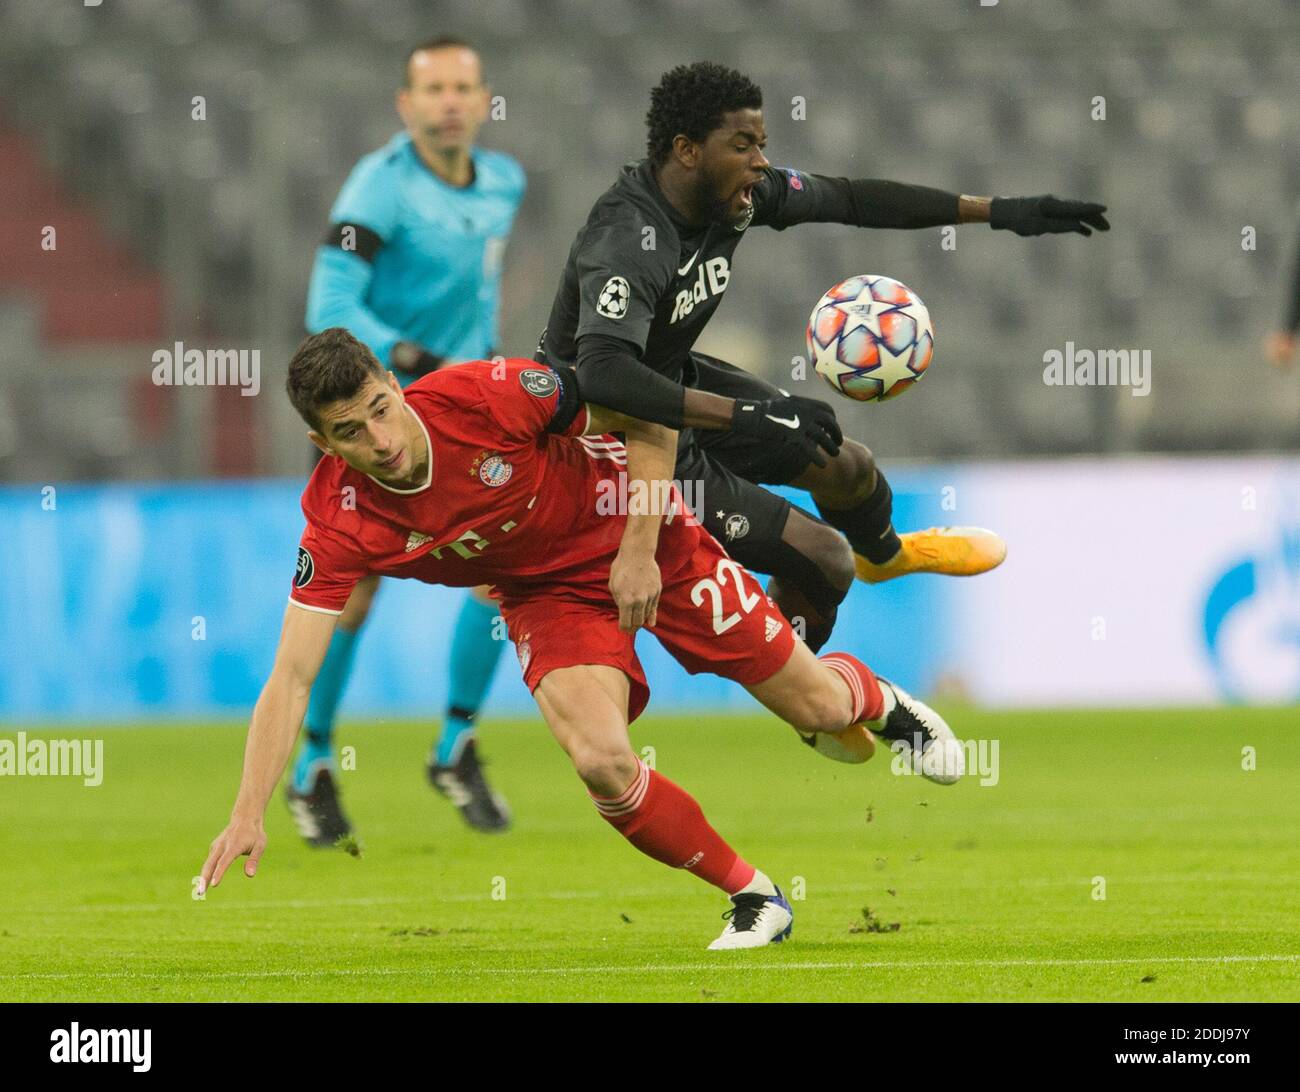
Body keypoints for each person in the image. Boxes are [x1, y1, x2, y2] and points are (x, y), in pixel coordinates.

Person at [197, 328, 964, 949]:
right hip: (547, 598)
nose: (380, 439)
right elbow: (292, 677)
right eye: (348, 432)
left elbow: (647, 415)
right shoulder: (336, 519)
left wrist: (637, 551)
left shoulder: (488, 394)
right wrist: (246, 811)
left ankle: (876, 701)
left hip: (647, 537)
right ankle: (753, 896)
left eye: (378, 408)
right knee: (600, 761)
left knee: (823, 711)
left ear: (394, 387)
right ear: (320, 442)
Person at [537, 61, 1110, 651]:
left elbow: (852, 199)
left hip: (672, 385)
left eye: (761, 144)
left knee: (848, 466)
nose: (760, 161)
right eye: (742, 146)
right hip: (607, 437)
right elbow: (603, 373)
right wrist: (746, 416)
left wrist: (996, 211)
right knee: (827, 561)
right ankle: (805, 699)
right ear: (686, 150)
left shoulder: (739, 197)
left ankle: (885, 556)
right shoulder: (628, 236)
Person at [295, 37, 525, 843]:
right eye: (434, 89)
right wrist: (413, 363)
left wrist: (484, 373)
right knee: (354, 587)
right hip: (378, 411)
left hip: (464, 414)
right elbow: (328, 303)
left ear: (484, 98)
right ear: (407, 105)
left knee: (501, 571)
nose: (450, 101)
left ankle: (455, 742)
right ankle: (312, 763)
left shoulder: (504, 182)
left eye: (464, 86)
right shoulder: (378, 189)